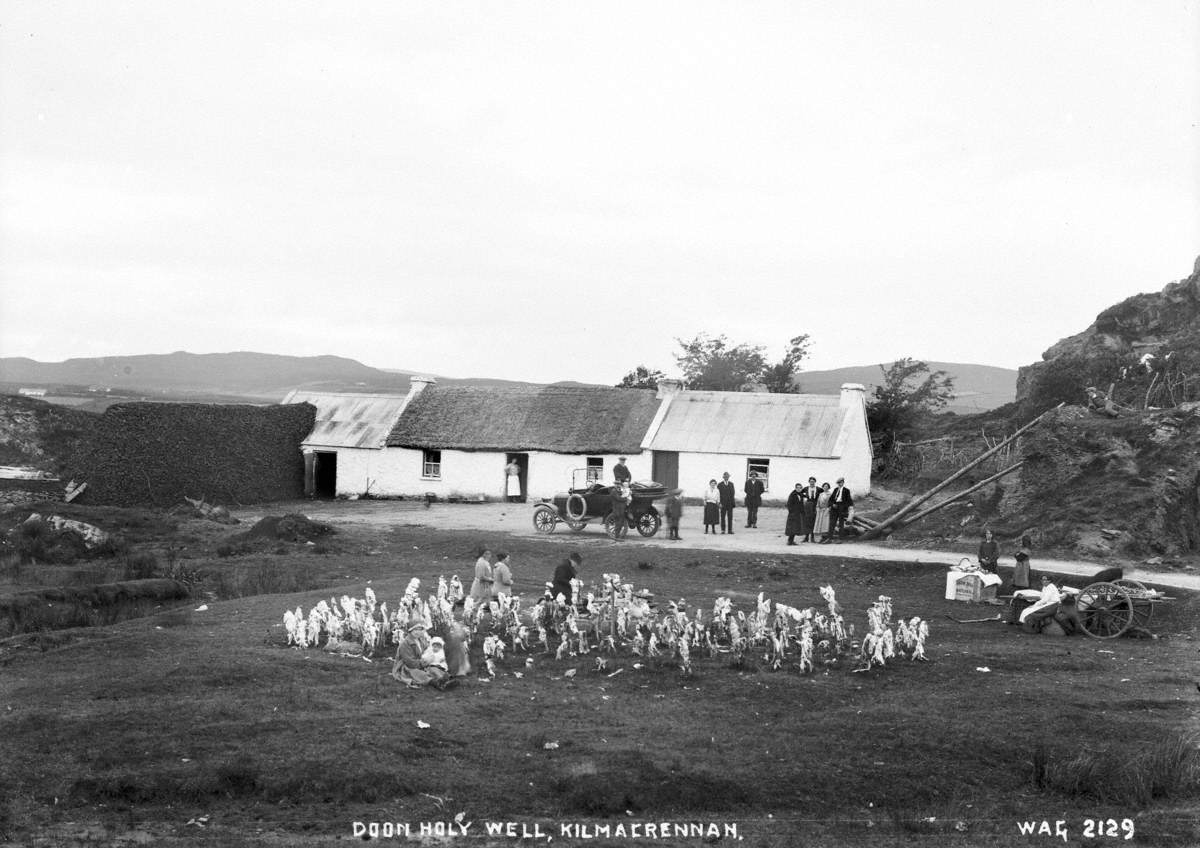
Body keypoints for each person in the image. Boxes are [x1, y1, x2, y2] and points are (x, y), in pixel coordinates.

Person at [391, 619, 451, 689]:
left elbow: (427, 650)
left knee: (433, 668)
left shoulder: (421, 640)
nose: (418, 632)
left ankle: (444, 679)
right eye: (415, 630)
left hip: (421, 662)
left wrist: (433, 656)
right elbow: (410, 663)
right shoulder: (405, 644)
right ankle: (435, 683)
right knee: (416, 672)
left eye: (420, 630)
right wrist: (424, 662)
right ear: (410, 631)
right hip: (408, 666)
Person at [801, 477, 820, 542]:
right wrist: (805, 497)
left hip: (815, 505)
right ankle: (806, 537)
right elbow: (800, 493)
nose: (812, 483)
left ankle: (812, 537)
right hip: (808, 505)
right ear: (809, 482)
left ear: (815, 482)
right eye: (811, 481)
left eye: (813, 481)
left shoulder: (818, 489)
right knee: (807, 521)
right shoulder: (806, 488)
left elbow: (823, 494)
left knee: (813, 521)